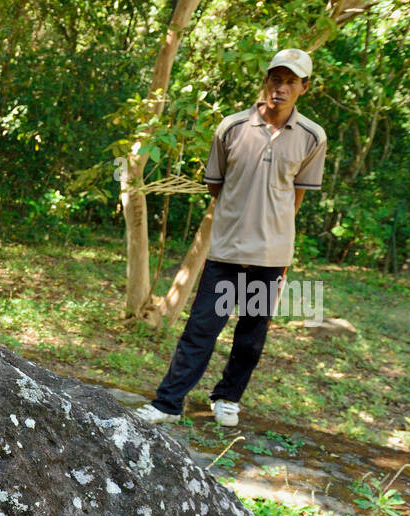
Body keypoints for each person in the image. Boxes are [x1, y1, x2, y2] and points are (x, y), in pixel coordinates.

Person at [136, 48, 327, 428]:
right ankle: (168, 404)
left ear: (304, 87)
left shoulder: (311, 137)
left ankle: (227, 397)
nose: (281, 88)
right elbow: (217, 186)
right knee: (201, 330)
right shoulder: (233, 127)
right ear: (266, 80)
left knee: (250, 338)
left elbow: (296, 198)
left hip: (271, 259)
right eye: (276, 78)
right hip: (225, 253)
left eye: (291, 81)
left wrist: (275, 238)